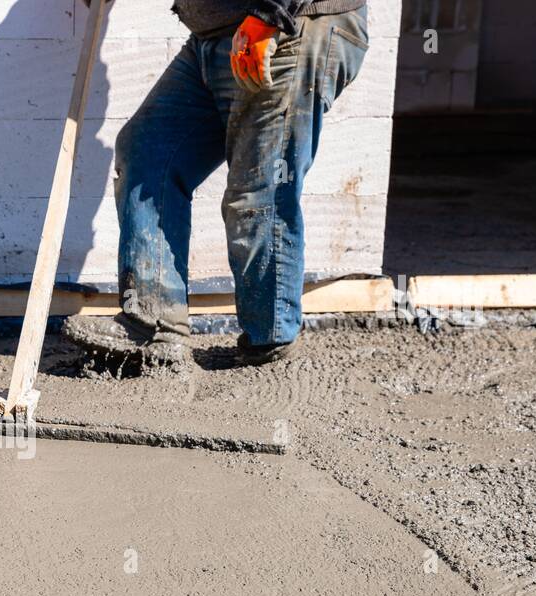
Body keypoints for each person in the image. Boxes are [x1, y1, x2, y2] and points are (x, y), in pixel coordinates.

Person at [63, 0, 369, 367]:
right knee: (148, 153)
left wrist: (270, 13)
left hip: (287, 26)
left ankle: (268, 350)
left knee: (259, 190)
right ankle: (153, 326)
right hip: (215, 35)